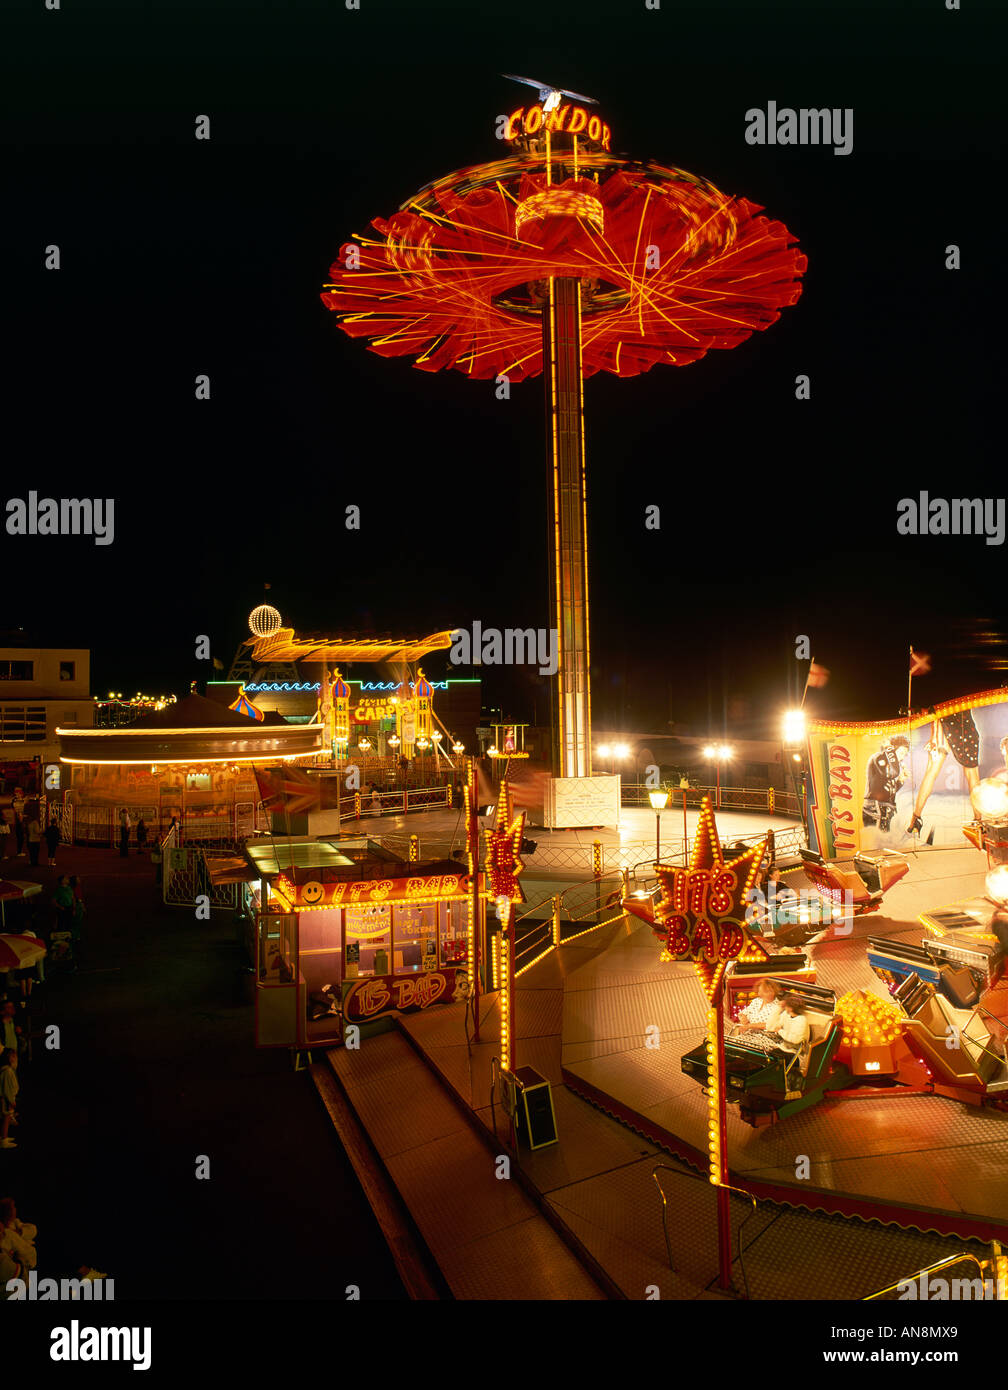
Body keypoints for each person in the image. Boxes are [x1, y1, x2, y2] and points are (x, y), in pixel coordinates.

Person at [0, 1198, 37, 1270]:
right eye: (12, 1207)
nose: (14, 1210)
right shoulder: (5, 1231)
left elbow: (33, 1229)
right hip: (17, 1261)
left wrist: (20, 1232)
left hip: (28, 1257)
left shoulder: (16, 1223)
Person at [0, 1049, 19, 1148]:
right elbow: (7, 1089)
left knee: (5, 1119)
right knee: (6, 1120)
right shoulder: (7, 1071)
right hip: (7, 1100)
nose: (15, 1059)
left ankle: (3, 1137)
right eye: (13, 1056)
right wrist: (11, 1101)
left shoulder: (6, 1070)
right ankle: (4, 1139)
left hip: (7, 1099)